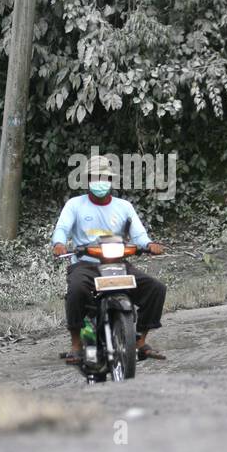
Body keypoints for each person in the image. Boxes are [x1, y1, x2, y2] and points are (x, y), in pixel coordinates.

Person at [51, 155, 167, 365]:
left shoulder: (124, 206)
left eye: (104, 176)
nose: (100, 181)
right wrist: (59, 244)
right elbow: (62, 228)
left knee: (156, 288)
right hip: (86, 263)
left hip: (117, 262)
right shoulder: (75, 205)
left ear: (110, 180)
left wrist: (149, 245)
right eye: (95, 176)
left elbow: (139, 235)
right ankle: (76, 344)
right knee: (76, 289)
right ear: (88, 179)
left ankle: (140, 340)